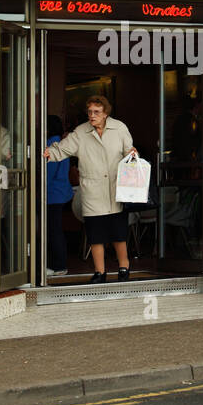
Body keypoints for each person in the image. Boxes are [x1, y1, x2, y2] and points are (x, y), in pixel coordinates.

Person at [44, 96, 138, 283]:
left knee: (118, 233)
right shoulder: (81, 132)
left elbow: (130, 152)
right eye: (89, 112)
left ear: (105, 114)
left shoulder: (119, 128)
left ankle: (123, 267)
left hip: (116, 189)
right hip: (92, 191)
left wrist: (133, 154)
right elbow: (62, 150)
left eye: (96, 112)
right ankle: (99, 272)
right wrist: (48, 152)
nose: (92, 116)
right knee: (95, 235)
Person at [45, 114, 73, 277]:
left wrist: (38, 190)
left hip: (52, 194)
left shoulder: (52, 145)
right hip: (61, 192)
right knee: (55, 229)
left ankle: (58, 266)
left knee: (53, 230)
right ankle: (58, 264)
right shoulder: (62, 143)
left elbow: (48, 174)